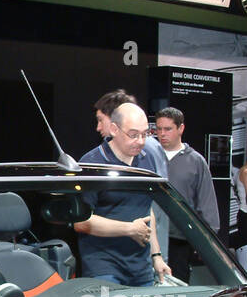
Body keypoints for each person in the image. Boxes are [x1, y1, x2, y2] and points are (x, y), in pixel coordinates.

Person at [76, 102, 170, 286]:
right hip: (104, 267)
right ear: (114, 129)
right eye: (133, 135)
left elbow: (146, 209)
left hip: (141, 268)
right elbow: (81, 222)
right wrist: (130, 229)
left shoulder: (147, 159)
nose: (141, 141)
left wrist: (156, 256)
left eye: (145, 134)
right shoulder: (92, 164)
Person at [155, 106, 219, 278]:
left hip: (180, 238)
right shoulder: (148, 156)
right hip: (149, 235)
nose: (162, 134)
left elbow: (207, 203)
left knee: (177, 289)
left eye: (167, 129)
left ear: (180, 128)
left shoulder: (195, 161)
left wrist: (207, 242)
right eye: (158, 129)